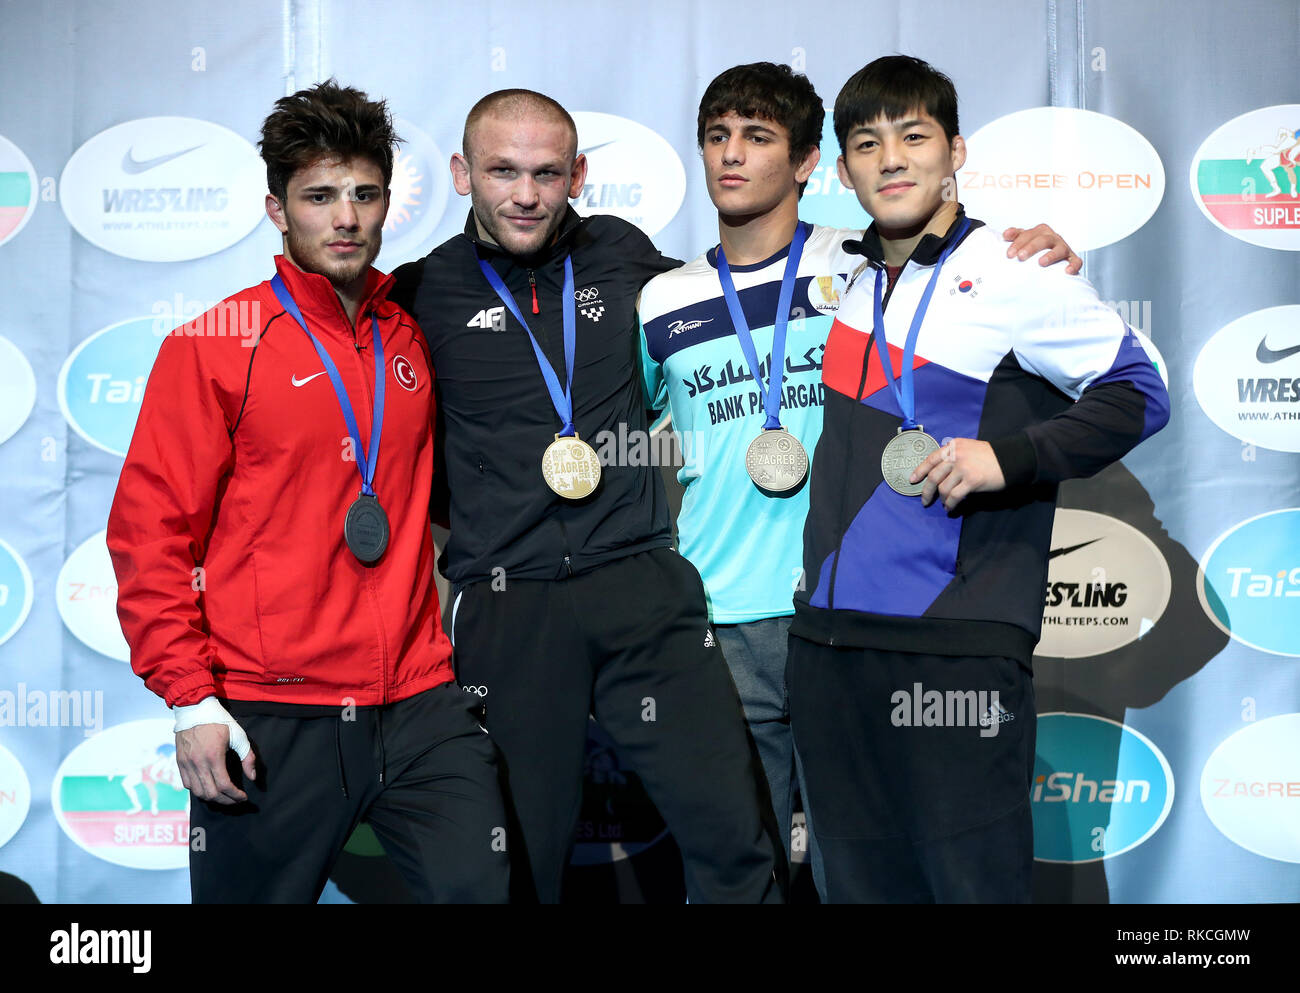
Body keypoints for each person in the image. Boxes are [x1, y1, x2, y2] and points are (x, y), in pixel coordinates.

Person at [636, 61, 1081, 895]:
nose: (732, 156)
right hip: (721, 618)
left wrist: (1044, 255)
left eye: (759, 138)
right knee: (740, 871)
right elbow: (617, 422)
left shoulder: (874, 266)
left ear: (812, 164)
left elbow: (979, 276)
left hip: (856, 620)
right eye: (717, 137)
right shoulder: (661, 297)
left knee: (867, 871)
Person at [107, 81, 509, 904]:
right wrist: (190, 699)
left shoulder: (413, 331)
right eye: (319, 196)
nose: (346, 218)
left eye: (364, 194)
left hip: (417, 699)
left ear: (390, 202)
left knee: (481, 888)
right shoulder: (216, 344)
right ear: (276, 208)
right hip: (270, 709)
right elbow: (151, 534)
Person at [786, 55, 1170, 903]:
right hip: (828, 644)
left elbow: (1143, 393)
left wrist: (1010, 456)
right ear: (842, 170)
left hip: (954, 649)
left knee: (972, 890)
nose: (890, 159)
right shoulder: (841, 277)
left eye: (913, 136)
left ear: (955, 148)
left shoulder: (1016, 266)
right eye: (866, 143)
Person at [390, 89, 782, 903]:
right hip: (509, 604)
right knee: (521, 866)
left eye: (546, 172)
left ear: (580, 175)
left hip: (641, 586)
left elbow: (757, 290)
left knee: (736, 841)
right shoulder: (418, 291)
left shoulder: (624, 254)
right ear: (462, 173)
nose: (525, 194)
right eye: (502, 171)